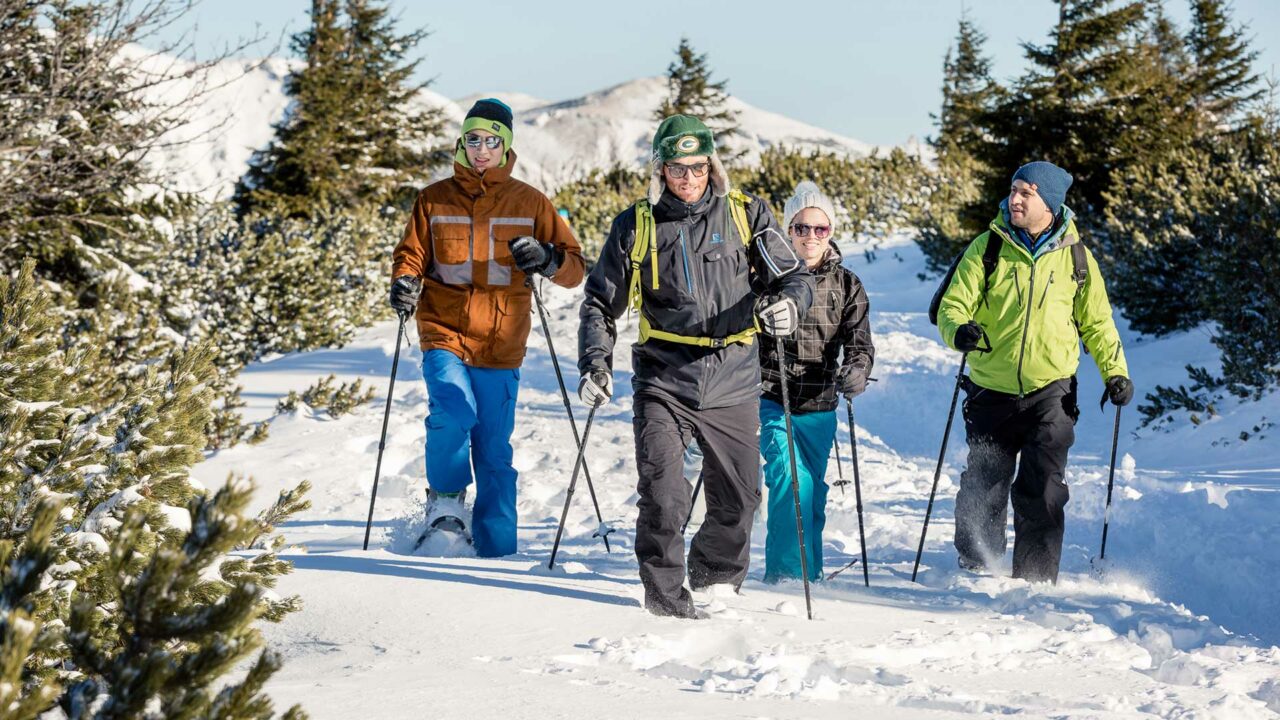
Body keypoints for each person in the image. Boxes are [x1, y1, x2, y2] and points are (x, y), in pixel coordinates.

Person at [577, 114, 815, 619]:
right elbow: (601, 303)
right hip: (664, 376)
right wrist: (595, 363)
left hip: (733, 374)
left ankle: (714, 582)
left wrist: (789, 305)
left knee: (741, 497)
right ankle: (664, 601)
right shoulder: (636, 225)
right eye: (677, 169)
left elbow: (792, 276)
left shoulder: (746, 214)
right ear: (661, 169)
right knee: (663, 494)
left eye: (698, 168)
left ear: (712, 165)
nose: (689, 179)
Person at [389, 98, 585, 557]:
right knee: (453, 411)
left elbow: (575, 269)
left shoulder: (530, 202)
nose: (481, 149)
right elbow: (410, 255)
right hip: (444, 329)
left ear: (506, 146)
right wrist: (404, 283)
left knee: (494, 449)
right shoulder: (433, 199)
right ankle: (446, 503)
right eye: (473, 139)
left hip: (502, 339)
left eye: (492, 141)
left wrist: (547, 259)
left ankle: (499, 552)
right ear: (462, 143)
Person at [936, 160, 1132, 583]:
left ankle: (1036, 581)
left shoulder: (1077, 257)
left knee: (1043, 487)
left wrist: (1115, 372)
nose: (1016, 198)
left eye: (1027, 192)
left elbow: (1097, 322)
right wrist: (960, 332)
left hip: (1052, 391)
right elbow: (952, 306)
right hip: (991, 387)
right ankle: (978, 565)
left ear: (1050, 202)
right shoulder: (988, 247)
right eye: (1014, 189)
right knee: (986, 485)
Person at [758, 181, 874, 584]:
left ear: (831, 233)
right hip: (772, 397)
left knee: (813, 493)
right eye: (801, 228)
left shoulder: (847, 284)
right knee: (791, 480)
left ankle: (811, 573)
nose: (810, 236)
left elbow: (861, 344)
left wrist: (857, 371)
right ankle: (788, 579)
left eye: (819, 229)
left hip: (821, 403)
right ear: (788, 231)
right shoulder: (767, 277)